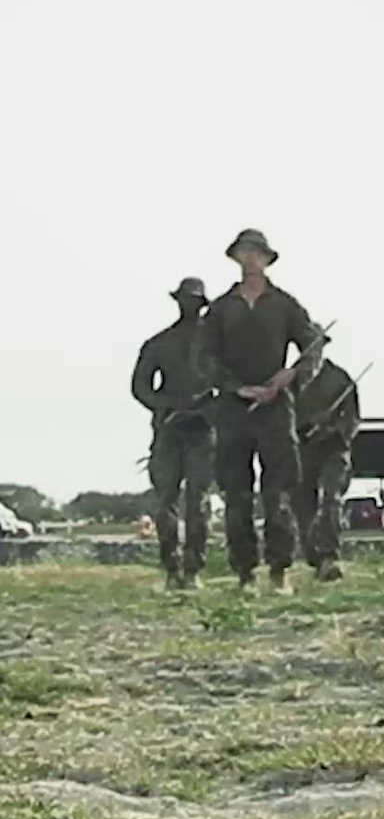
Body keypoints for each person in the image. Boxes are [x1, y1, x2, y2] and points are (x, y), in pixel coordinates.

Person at [203, 229, 323, 594]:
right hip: (233, 409)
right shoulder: (222, 308)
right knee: (236, 495)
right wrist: (235, 387)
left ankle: (279, 571)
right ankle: (245, 574)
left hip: (275, 408)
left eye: (257, 253)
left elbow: (313, 346)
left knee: (278, 494)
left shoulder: (285, 304)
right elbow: (205, 359)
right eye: (245, 253)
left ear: (267, 259)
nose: (251, 259)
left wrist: (292, 375)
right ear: (236, 258)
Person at [130, 277, 216, 590]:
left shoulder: (217, 345)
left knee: (198, 500)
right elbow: (140, 387)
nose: (189, 305)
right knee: (166, 500)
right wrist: (166, 406)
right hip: (169, 429)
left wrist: (206, 406)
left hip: (203, 429)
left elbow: (232, 384)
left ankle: (192, 569)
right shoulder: (158, 343)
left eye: (193, 300)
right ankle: (172, 568)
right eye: (185, 299)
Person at [293, 356, 361, 582]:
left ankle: (331, 555)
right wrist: (304, 426)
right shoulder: (291, 378)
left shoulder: (339, 378)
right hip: (302, 450)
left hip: (334, 449)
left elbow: (352, 418)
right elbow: (282, 414)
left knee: (331, 498)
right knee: (303, 506)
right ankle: (315, 558)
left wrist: (334, 429)